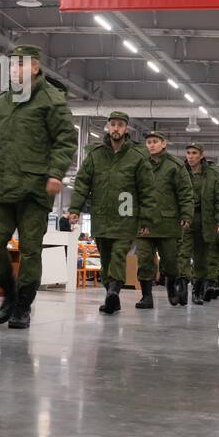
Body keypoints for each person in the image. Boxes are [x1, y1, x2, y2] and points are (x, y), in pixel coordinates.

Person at [0, 44, 75, 328]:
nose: (15, 69)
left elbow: (65, 140)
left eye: (21, 64)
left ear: (35, 67)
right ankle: (10, 292)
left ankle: (23, 307)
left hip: (35, 189)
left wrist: (55, 173)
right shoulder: (1, 102)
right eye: (12, 65)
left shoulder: (52, 101)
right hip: (2, 187)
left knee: (30, 250)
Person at [68, 111, 157, 315]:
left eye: (120, 125)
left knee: (118, 254)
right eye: (113, 124)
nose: (116, 128)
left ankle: (114, 291)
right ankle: (110, 293)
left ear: (126, 129)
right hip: (101, 216)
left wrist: (146, 218)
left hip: (126, 217)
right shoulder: (96, 155)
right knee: (106, 258)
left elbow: (147, 190)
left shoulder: (137, 157)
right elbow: (82, 183)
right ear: (108, 127)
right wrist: (75, 209)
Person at [134, 130, 193, 308]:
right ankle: (146, 297)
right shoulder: (139, 163)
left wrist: (186, 214)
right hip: (145, 222)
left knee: (171, 262)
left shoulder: (175, 166)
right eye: (149, 142)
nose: (151, 144)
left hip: (168, 223)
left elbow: (185, 192)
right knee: (144, 260)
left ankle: (171, 288)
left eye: (155, 141)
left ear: (163, 144)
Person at [180, 143, 219, 305]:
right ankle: (182, 284)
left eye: (194, 153)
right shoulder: (180, 172)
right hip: (186, 219)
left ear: (201, 155)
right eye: (188, 153)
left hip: (206, 220)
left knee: (201, 257)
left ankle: (197, 290)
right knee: (182, 253)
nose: (190, 156)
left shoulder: (212, 175)